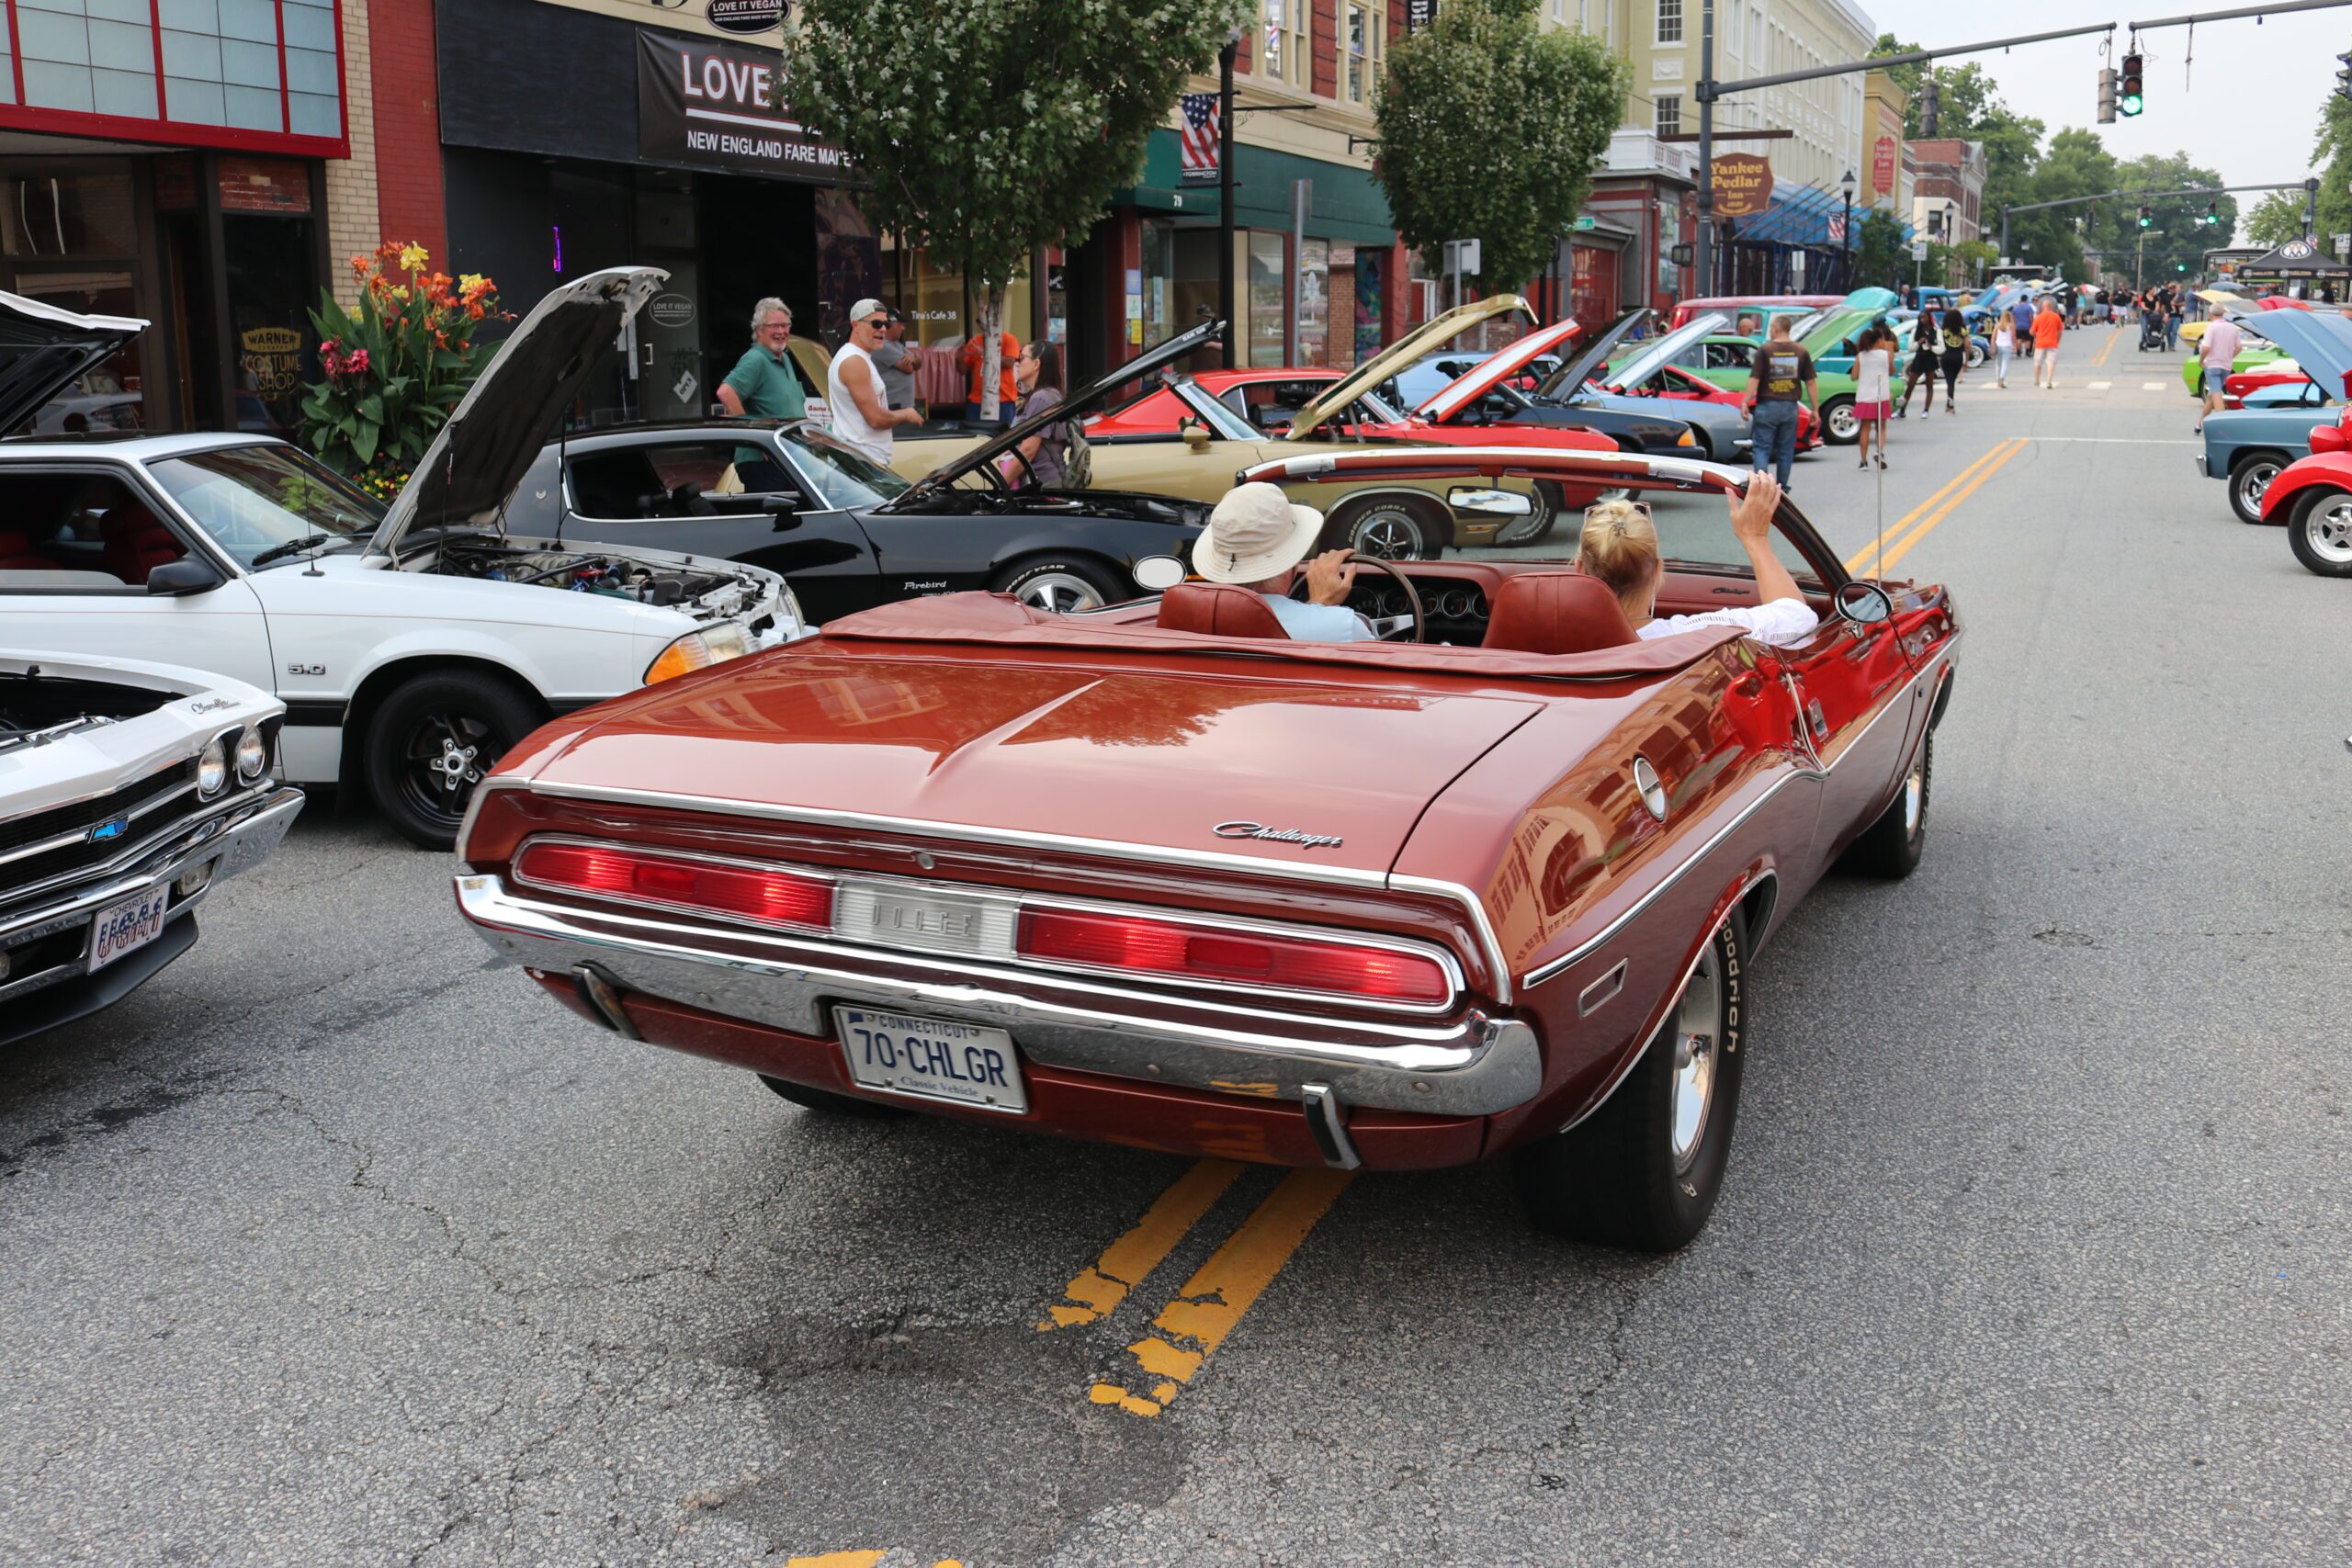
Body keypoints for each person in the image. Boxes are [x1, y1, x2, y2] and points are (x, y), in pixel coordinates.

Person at [1577, 472, 1818, 647]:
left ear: (1580, 571)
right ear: (1657, 571)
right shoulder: (1696, 636)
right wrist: (1755, 538)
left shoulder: (1556, 641)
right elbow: (1796, 615)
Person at [1191, 481, 1375, 641]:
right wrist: (1319, 608)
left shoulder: (1186, 621)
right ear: (1292, 562)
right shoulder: (1343, 628)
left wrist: (1317, 607)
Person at [827, 298, 924, 464]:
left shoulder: (858, 357)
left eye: (886, 324)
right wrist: (906, 414)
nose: (883, 329)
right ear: (856, 325)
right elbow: (875, 418)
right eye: (876, 324)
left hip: (861, 458)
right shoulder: (854, 361)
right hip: (860, 460)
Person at [1741, 316, 1816, 493]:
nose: (1770, 331)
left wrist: (1745, 401)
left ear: (1776, 329)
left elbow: (1755, 379)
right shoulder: (1800, 351)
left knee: (1761, 448)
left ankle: (1762, 487)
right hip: (1790, 406)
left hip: (1767, 405)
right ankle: (1782, 489)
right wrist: (1815, 409)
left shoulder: (1765, 350)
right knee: (1785, 450)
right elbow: (1811, 382)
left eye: (1771, 328)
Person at [717, 298, 806, 421]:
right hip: (770, 434)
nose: (781, 331)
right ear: (759, 330)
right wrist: (747, 427)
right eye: (774, 326)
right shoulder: (755, 359)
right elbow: (726, 393)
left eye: (785, 325)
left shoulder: (784, 358)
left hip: (793, 433)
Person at [1001, 341, 1070, 490]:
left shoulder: (1041, 398)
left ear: (1036, 364)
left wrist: (1001, 485)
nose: (1017, 364)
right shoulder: (1049, 394)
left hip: (1042, 484)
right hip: (1044, 481)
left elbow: (1028, 450)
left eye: (1022, 358)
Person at [2196, 305, 2245, 434]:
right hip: (2226, 366)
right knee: (2212, 396)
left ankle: (2222, 426)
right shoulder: (2232, 327)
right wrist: (2229, 356)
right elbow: (2239, 347)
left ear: (2211, 314)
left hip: (2212, 365)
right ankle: (2199, 424)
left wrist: (2201, 360)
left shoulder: (2211, 327)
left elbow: (2206, 347)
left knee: (2216, 394)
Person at [960, 325, 1022, 424]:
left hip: (1003, 400)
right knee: (974, 433)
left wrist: (984, 353)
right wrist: (959, 357)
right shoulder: (974, 342)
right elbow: (962, 370)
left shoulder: (1009, 339)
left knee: (1003, 433)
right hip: (976, 401)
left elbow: (1009, 362)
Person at [1852, 324, 1893, 471]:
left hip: (1864, 396)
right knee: (1881, 428)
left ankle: (1863, 461)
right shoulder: (1886, 355)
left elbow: (1854, 376)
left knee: (1865, 429)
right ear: (1879, 340)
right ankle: (1879, 452)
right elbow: (1892, 370)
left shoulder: (1861, 356)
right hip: (1882, 396)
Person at [869, 309, 923, 415]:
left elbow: (919, 363)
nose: (903, 328)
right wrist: (913, 360)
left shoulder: (897, 344)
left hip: (903, 406)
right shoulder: (883, 345)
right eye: (901, 324)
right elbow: (909, 368)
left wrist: (913, 359)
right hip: (893, 405)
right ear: (890, 324)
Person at [1896, 312, 1941, 417]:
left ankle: (1926, 410)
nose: (1922, 320)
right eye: (1920, 318)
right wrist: (1918, 343)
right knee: (1910, 385)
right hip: (1919, 358)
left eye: (1924, 317)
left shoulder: (1936, 331)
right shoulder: (1915, 331)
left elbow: (1941, 348)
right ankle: (1902, 409)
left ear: (1929, 318)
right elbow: (1910, 348)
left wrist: (1931, 347)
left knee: (1929, 385)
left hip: (1930, 358)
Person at [1937, 308, 1968, 413]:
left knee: (1949, 381)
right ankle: (1949, 404)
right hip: (1958, 357)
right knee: (1952, 381)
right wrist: (1966, 361)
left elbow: (1939, 344)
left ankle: (1950, 404)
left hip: (1946, 357)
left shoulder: (1943, 330)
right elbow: (1967, 345)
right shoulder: (1962, 330)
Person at [2031, 295, 2065, 388]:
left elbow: (2032, 331)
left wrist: (2037, 336)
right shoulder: (2056, 317)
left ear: (2043, 307)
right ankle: (2049, 381)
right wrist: (2057, 341)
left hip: (2040, 343)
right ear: (2051, 307)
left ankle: (2037, 380)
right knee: (2051, 362)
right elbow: (2060, 331)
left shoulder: (2039, 317)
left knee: (2038, 362)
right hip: (2052, 342)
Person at [1991, 308, 2017, 389]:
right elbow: (2013, 337)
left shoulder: (1998, 325)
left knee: (1998, 364)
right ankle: (2002, 378)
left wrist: (1992, 345)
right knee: (2005, 364)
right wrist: (2015, 346)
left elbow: (1993, 337)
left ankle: (1998, 380)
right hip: (2007, 346)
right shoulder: (2011, 326)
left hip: (1998, 345)